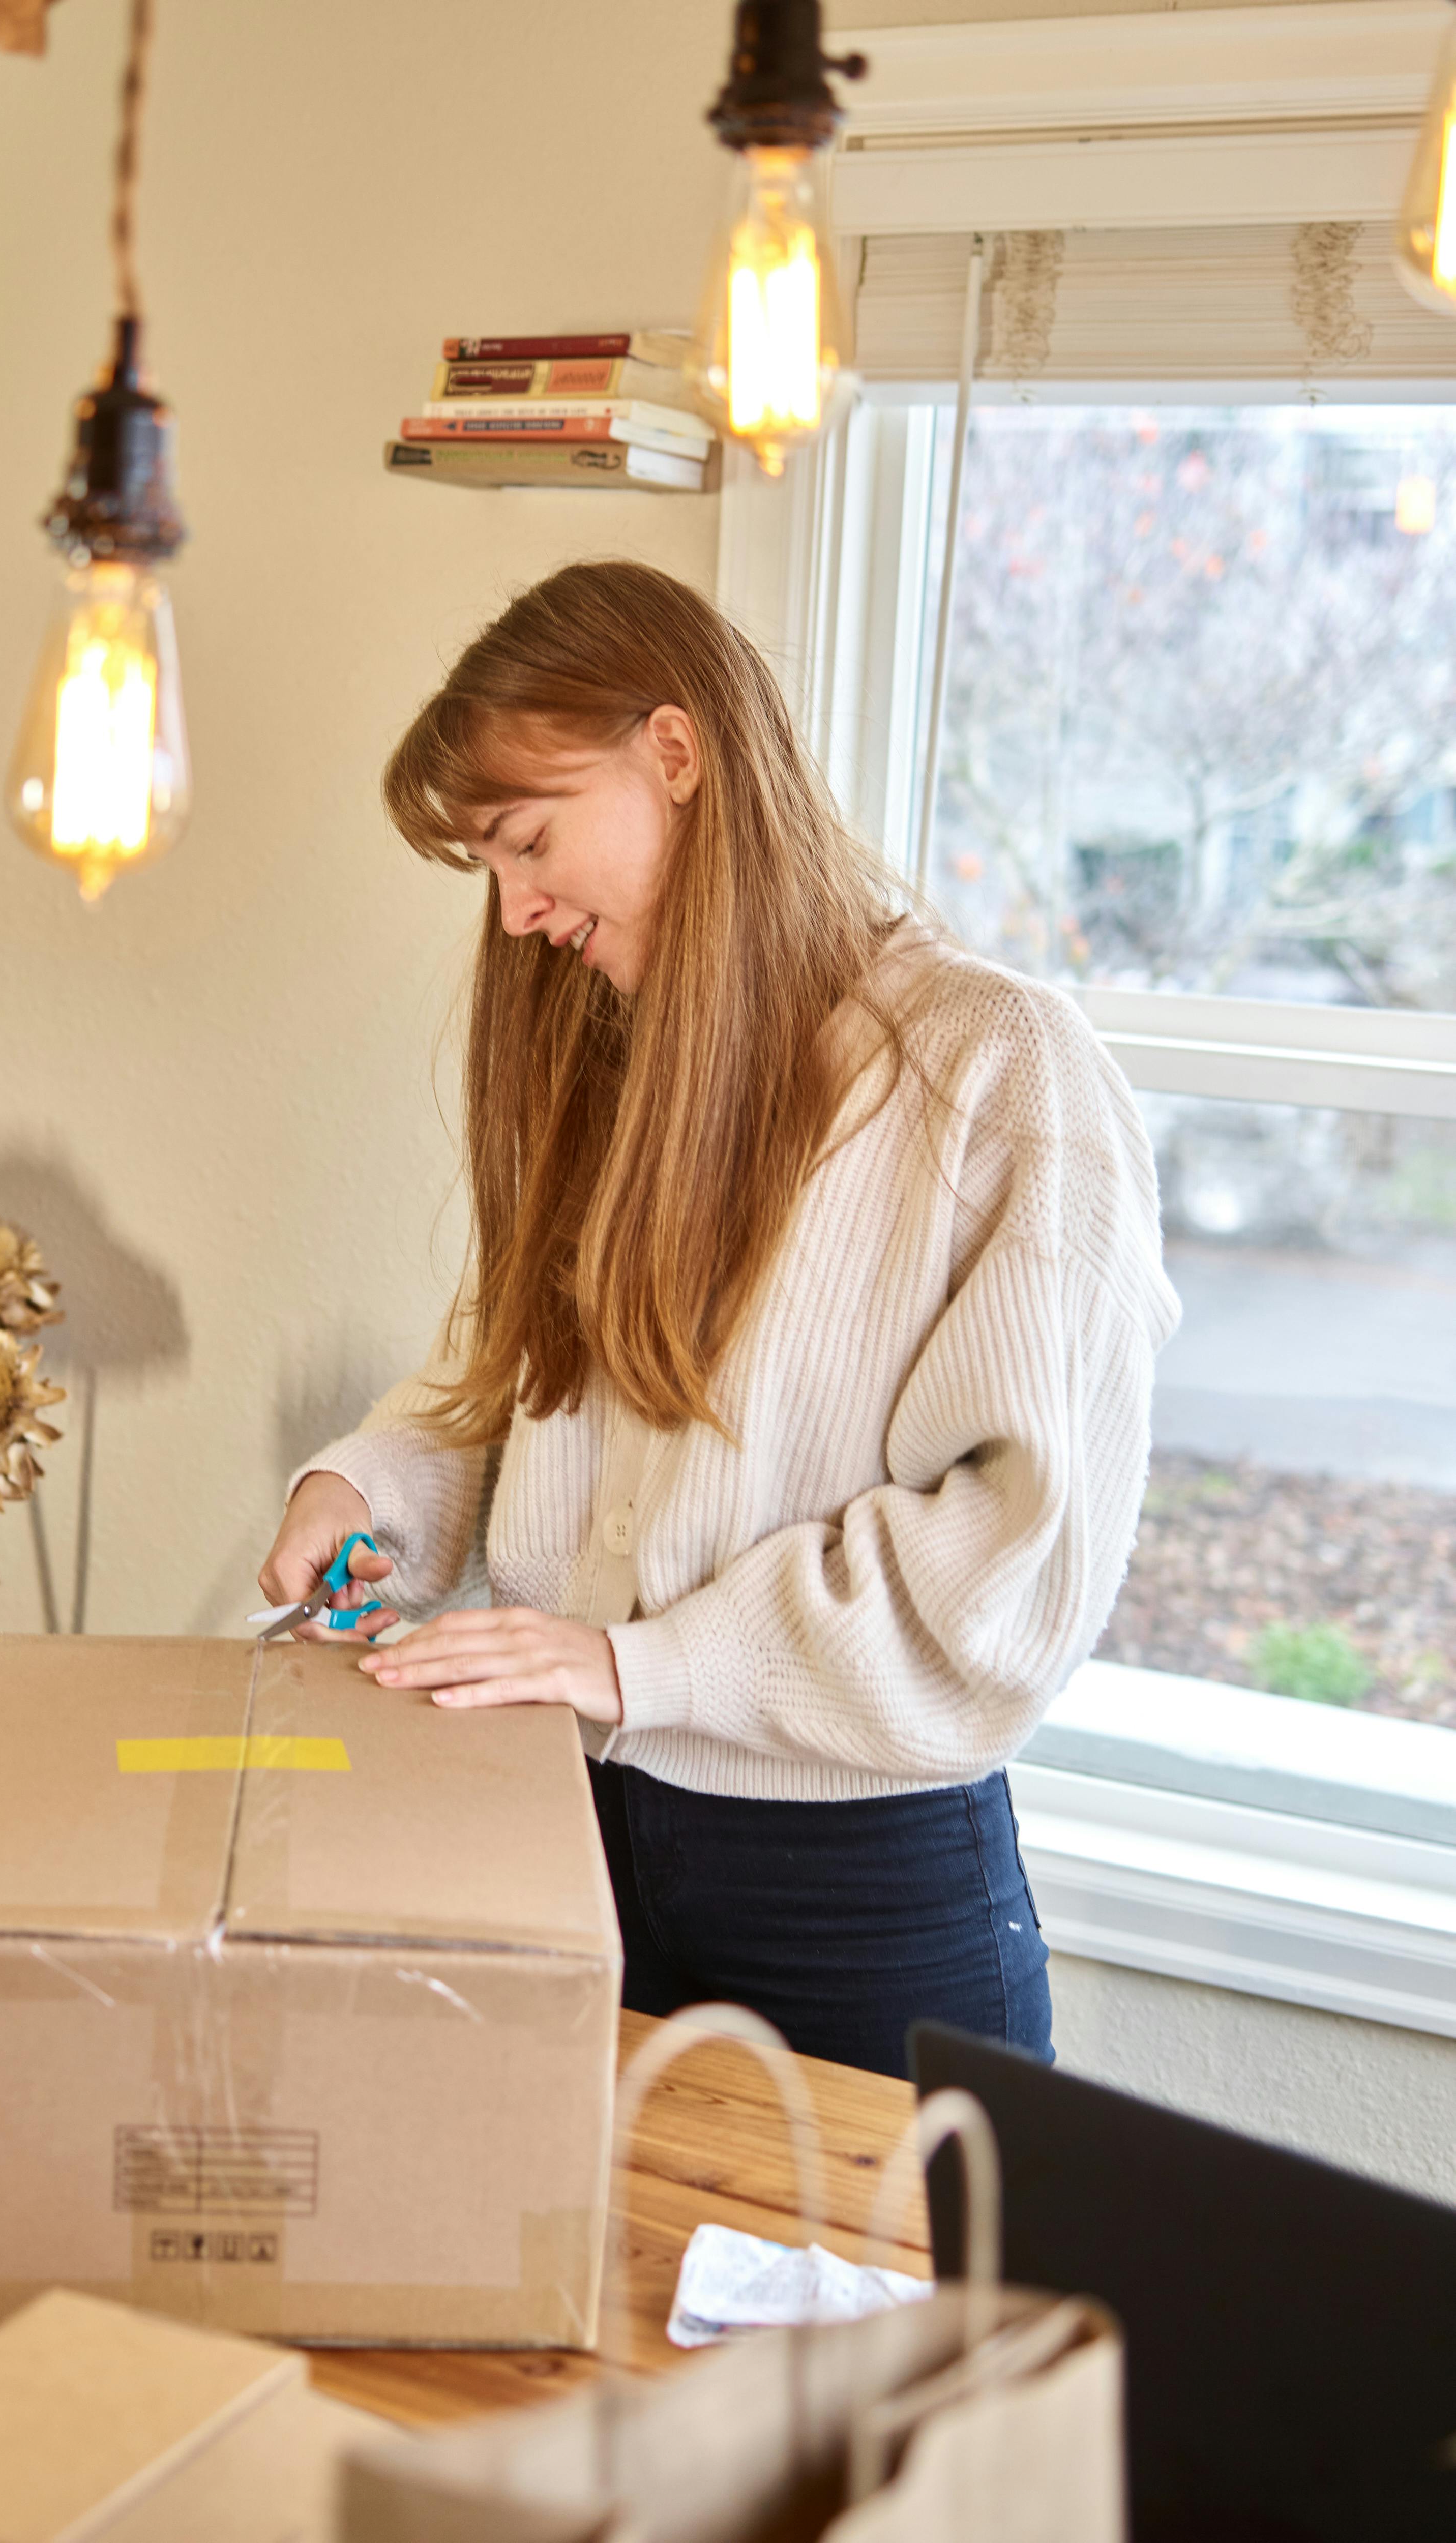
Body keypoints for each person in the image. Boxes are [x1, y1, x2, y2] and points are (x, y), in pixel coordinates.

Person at [258, 558, 1179, 2080]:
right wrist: (364, 1487)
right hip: (565, 1839)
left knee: (872, 2326)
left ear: (676, 755)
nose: (517, 908)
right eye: (488, 866)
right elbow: (491, 1389)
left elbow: (1011, 1562)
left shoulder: (998, 1072)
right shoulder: (606, 1063)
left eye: (530, 840)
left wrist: (644, 1667)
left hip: (861, 1902)